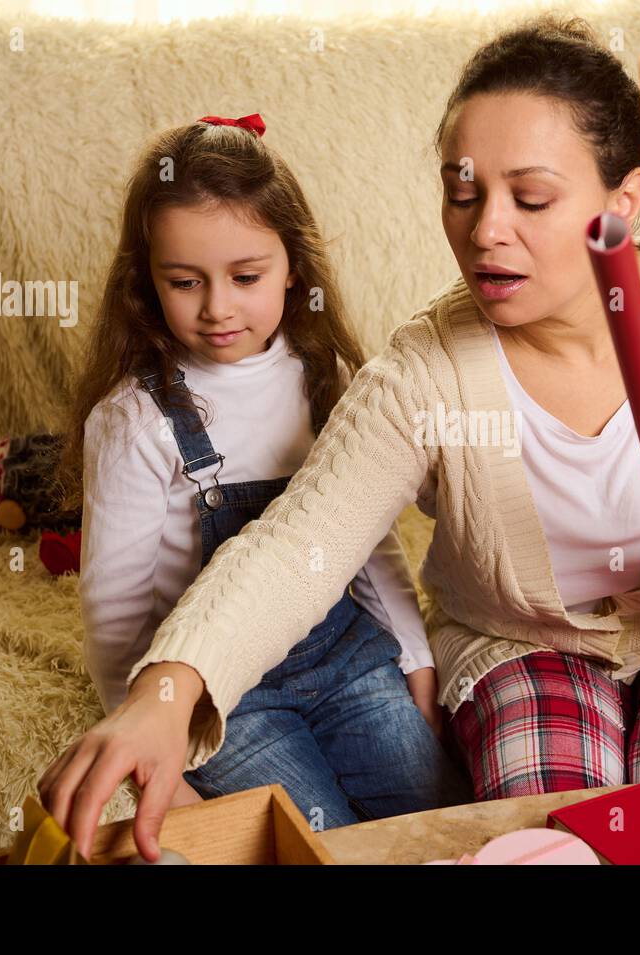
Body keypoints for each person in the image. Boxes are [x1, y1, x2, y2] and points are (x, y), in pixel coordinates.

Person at [42, 18, 640, 862]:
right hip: (530, 651)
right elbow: (295, 547)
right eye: (462, 191)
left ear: (622, 205)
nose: (486, 229)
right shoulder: (423, 373)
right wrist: (167, 688)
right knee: (552, 844)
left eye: (531, 198)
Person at [43, 112, 469, 832]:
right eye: (184, 281)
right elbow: (115, 615)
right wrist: (153, 739)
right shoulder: (135, 419)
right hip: (225, 694)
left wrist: (416, 660)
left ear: (292, 265)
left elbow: (366, 536)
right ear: (146, 280)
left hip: (348, 660)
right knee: (313, 834)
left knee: (437, 814)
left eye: (246, 276)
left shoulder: (324, 377)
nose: (217, 308)